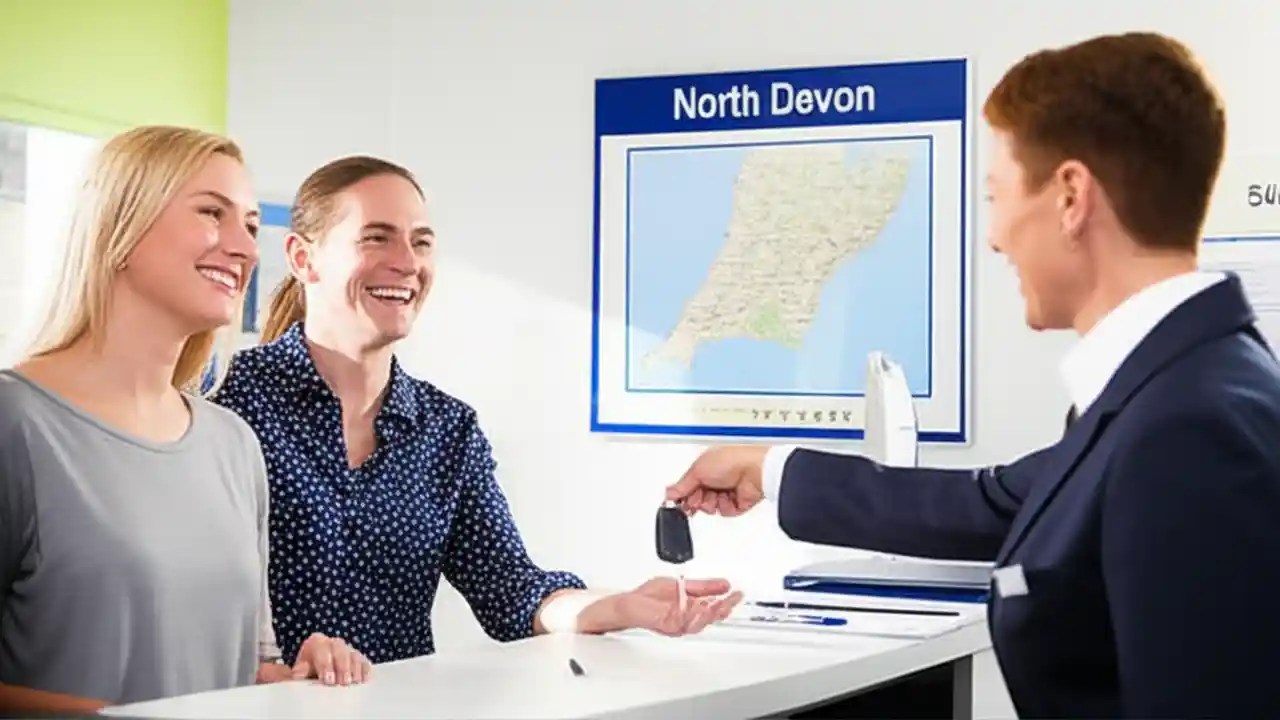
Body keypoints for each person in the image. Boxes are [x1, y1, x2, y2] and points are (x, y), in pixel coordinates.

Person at [664, 32, 1280, 719]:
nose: (994, 236)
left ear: (1071, 197)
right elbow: (1000, 503)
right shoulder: (1165, 392)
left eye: (997, 195)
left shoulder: (1190, 425)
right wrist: (771, 469)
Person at [209, 155, 742, 668]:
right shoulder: (230, 404)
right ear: (304, 259)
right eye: (377, 237)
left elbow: (509, 591)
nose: (408, 262)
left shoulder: (447, 429)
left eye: (421, 242)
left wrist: (623, 606)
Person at [0, 125, 369, 716]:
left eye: (250, 226)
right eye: (211, 213)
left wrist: (305, 675)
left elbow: (243, 666)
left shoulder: (232, 444)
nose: (246, 248)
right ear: (121, 225)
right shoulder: (17, 421)